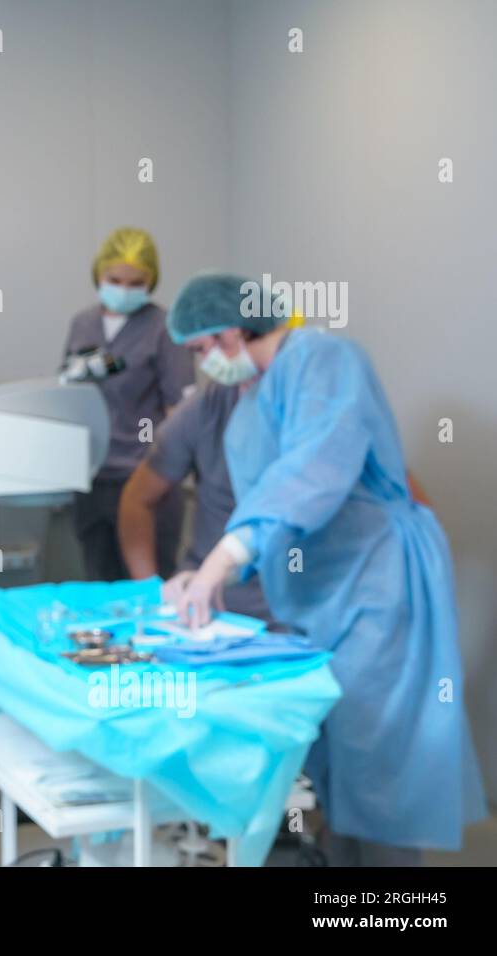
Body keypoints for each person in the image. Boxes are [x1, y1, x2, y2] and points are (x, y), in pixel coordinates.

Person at [163, 272, 486, 865]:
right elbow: (269, 509)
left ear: (228, 334)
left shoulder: (325, 358)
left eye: (197, 349)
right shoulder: (250, 402)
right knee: (336, 763)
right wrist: (214, 573)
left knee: (380, 761)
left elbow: (313, 470)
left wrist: (224, 558)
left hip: (376, 586)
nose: (200, 364)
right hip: (317, 597)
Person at [63, 227, 195, 581]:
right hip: (90, 477)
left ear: (151, 281)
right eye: (115, 279)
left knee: (150, 588)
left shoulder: (164, 328)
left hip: (145, 479)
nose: (123, 290)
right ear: (98, 274)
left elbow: (180, 414)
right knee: (97, 583)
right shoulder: (83, 325)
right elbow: (67, 397)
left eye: (136, 283)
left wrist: (166, 470)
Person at [117, 382, 271, 620]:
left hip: (289, 614)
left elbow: (285, 510)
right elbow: (137, 498)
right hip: (203, 606)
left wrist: (223, 562)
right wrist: (150, 591)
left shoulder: (314, 421)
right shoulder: (207, 408)